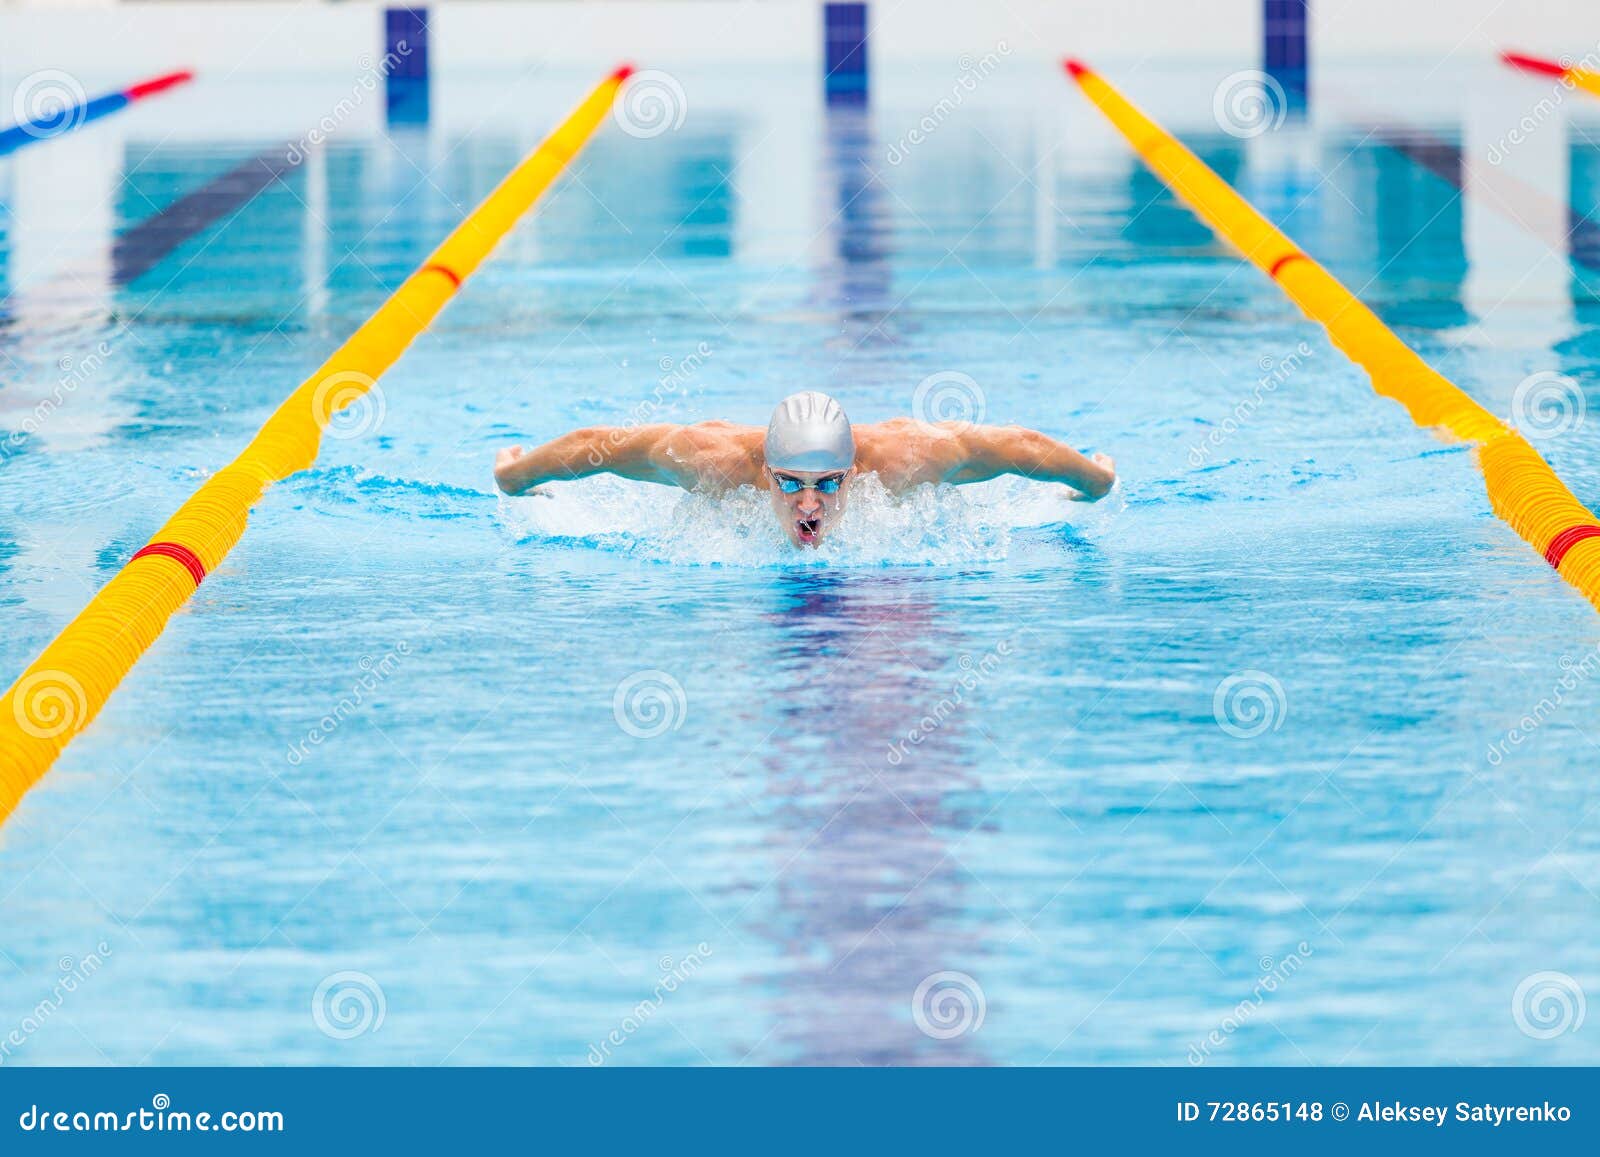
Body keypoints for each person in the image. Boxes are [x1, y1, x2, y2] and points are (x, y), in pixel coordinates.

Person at [493, 391, 1116, 548]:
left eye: (828, 485)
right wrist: (515, 477)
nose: (808, 505)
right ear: (764, 470)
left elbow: (1014, 446)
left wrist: (1093, 481)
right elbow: (601, 443)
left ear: (854, 470)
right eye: (789, 483)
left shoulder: (904, 459)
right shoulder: (712, 461)